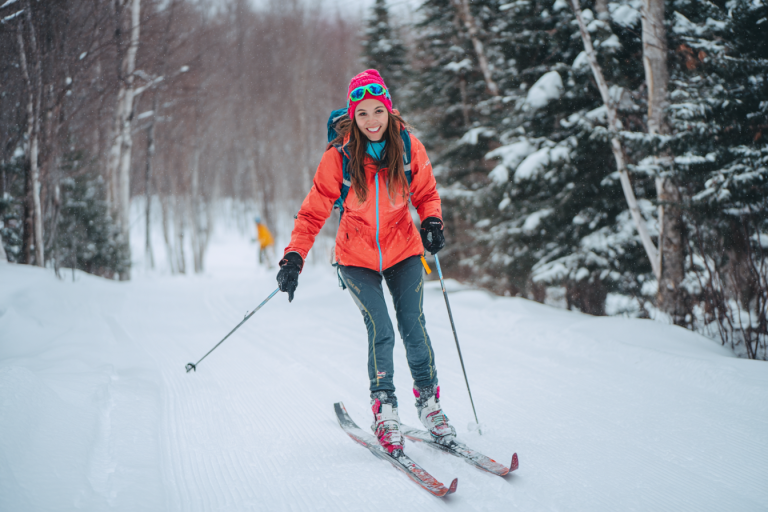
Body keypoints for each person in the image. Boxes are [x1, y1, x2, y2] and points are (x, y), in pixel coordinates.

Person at [276, 69, 455, 456]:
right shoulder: (338, 158)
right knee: (382, 329)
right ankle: (384, 409)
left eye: (378, 111)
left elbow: (426, 194)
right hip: (356, 258)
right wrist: (293, 257)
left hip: (403, 250)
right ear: (352, 117)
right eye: (362, 113)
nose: (372, 120)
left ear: (389, 110)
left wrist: (432, 222)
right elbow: (312, 213)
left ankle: (429, 402)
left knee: (413, 326)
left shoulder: (408, 148)